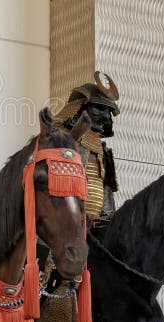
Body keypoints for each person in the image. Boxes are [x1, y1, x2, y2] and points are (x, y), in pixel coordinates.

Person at [54, 72, 120, 228]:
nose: (104, 115)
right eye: (98, 108)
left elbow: (106, 188)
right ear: (79, 108)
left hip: (95, 226)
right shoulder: (60, 139)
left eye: (107, 111)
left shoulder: (102, 150)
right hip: (64, 223)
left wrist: (109, 221)